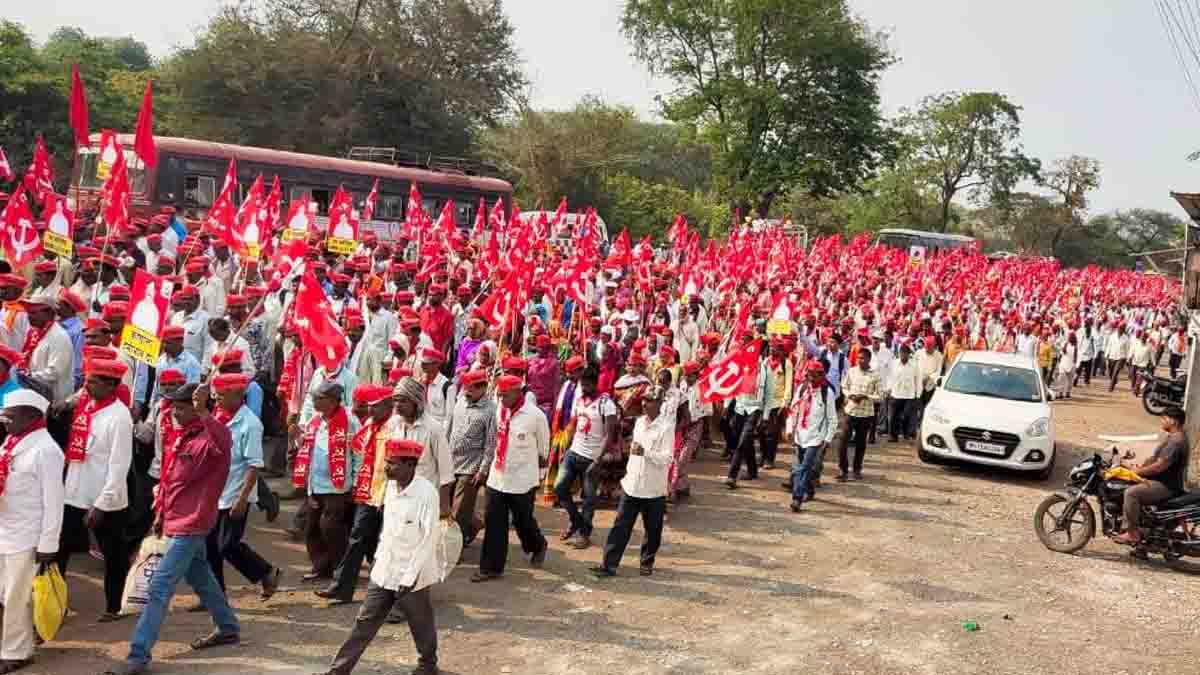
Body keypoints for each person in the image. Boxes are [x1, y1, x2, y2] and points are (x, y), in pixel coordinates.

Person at [103, 382, 240, 675]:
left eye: (181, 408)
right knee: (200, 576)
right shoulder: (181, 436)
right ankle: (228, 627)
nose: (175, 413)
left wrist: (204, 413)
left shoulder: (213, 437)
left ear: (198, 408)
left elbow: (222, 440)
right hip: (175, 519)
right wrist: (161, 514)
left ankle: (138, 656)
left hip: (193, 523)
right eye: (173, 407)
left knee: (159, 587)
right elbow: (170, 481)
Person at [315, 439, 441, 675]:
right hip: (385, 570)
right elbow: (388, 530)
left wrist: (410, 576)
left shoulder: (427, 494)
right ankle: (338, 670)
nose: (386, 467)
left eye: (392, 463)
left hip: (413, 574)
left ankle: (428, 664)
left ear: (410, 465)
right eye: (387, 462)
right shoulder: (390, 488)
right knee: (364, 622)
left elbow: (428, 539)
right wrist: (378, 562)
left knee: (420, 622)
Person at [56, 358, 133, 623]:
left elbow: (119, 465)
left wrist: (101, 504)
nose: (86, 386)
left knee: (114, 555)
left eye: (92, 381)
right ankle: (56, 606)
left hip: (105, 499)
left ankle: (114, 606)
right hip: (74, 492)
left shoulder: (119, 417)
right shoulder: (86, 406)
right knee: (59, 551)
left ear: (110, 385)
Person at [0, 390, 64, 675]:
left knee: (17, 597)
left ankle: (17, 652)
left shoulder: (46, 451)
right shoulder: (11, 442)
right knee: (7, 594)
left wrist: (48, 544)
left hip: (27, 536)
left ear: (31, 416)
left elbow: (54, 502)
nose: (4, 421)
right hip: (5, 530)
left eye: (10, 417)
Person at [204, 375, 282, 600]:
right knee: (210, 546)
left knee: (227, 545)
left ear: (238, 395)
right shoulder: (218, 418)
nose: (217, 400)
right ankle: (215, 594)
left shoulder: (250, 424)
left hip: (236, 493)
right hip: (215, 491)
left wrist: (242, 499)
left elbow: (254, 465)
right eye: (216, 395)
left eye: (221, 396)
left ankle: (266, 572)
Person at [318, 384, 395, 604]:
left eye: (375, 406)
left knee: (386, 543)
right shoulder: (370, 425)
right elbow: (359, 452)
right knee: (356, 537)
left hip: (389, 493)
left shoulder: (396, 427)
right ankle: (342, 587)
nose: (370, 410)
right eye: (369, 406)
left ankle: (389, 593)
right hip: (368, 491)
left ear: (388, 405)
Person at [591, 384, 673, 578]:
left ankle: (647, 562)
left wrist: (646, 453)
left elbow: (667, 458)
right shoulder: (640, 422)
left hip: (653, 488)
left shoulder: (667, 426)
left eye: (649, 401)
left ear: (659, 403)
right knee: (620, 526)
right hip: (633, 484)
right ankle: (609, 564)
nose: (644, 404)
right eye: (644, 400)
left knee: (653, 529)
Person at [472, 375, 549, 582]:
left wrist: (540, 478)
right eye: (499, 395)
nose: (501, 399)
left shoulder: (535, 416)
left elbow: (543, 451)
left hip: (523, 480)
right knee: (494, 523)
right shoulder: (499, 410)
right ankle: (490, 568)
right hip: (498, 477)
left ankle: (537, 545)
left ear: (517, 392)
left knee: (524, 522)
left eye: (505, 395)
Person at [296, 382, 362, 582]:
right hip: (316, 485)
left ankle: (343, 570)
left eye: (319, 398)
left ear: (333, 401)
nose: (314, 401)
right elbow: (307, 453)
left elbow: (358, 454)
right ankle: (321, 567)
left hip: (338, 486)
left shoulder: (350, 421)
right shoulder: (314, 421)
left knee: (330, 527)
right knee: (312, 528)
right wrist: (308, 488)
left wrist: (356, 483)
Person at [555, 368, 617, 549]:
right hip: (574, 452)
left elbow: (610, 434)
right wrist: (565, 449)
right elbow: (574, 425)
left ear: (595, 383)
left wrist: (598, 460)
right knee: (560, 488)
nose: (583, 388)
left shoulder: (606, 404)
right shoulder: (579, 400)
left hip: (592, 458)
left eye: (586, 385)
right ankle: (576, 521)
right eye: (582, 385)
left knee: (589, 499)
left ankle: (584, 534)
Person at [1114, 406, 1190, 545]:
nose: (1161, 421)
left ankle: (1132, 533)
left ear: (1173, 421)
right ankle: (1141, 542)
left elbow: (1159, 466)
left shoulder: (1176, 442)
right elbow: (1155, 460)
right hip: (1162, 481)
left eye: (1164, 418)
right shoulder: (1173, 437)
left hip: (1165, 486)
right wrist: (1137, 466)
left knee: (1131, 493)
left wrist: (1137, 472)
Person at [443, 369, 495, 548]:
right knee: (448, 504)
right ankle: (474, 524)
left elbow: (490, 444)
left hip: (471, 468)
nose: (467, 391)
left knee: (458, 512)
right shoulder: (460, 401)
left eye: (471, 388)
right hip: (452, 462)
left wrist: (482, 470)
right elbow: (450, 428)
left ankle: (453, 549)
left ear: (483, 388)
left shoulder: (490, 411)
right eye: (465, 387)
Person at [788, 360, 838, 511]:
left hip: (816, 437)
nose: (811, 378)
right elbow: (793, 410)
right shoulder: (802, 389)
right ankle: (809, 490)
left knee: (802, 467)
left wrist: (827, 439)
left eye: (814, 375)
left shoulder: (827, 393)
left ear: (821, 376)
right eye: (809, 374)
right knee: (804, 467)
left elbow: (832, 419)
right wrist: (790, 429)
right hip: (800, 435)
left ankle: (797, 498)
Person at [840, 349, 880, 481]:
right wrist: (850, 395)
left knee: (860, 443)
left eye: (862, 358)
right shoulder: (851, 371)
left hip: (865, 414)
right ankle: (843, 470)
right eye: (858, 358)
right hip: (850, 411)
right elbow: (844, 386)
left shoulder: (875, 375)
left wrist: (865, 396)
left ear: (869, 359)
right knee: (843, 441)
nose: (859, 360)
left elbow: (879, 396)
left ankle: (857, 470)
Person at [888, 344, 921, 441]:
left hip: (909, 395)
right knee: (894, 416)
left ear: (909, 354)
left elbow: (918, 380)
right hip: (896, 393)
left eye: (905, 353)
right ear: (899, 353)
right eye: (902, 353)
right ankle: (893, 436)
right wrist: (889, 389)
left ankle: (906, 433)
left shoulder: (914, 365)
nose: (903, 355)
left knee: (906, 415)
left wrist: (918, 394)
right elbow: (890, 377)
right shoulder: (894, 364)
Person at [1105, 323, 1130, 392]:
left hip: (1121, 357)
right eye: (1119, 328)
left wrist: (1127, 359)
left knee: (1115, 372)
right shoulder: (1112, 336)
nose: (1120, 330)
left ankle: (1111, 387)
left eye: (1122, 329)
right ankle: (1114, 380)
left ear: (1124, 330)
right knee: (1111, 372)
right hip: (1112, 356)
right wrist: (1106, 354)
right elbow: (1109, 345)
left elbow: (1127, 349)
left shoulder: (1126, 338)